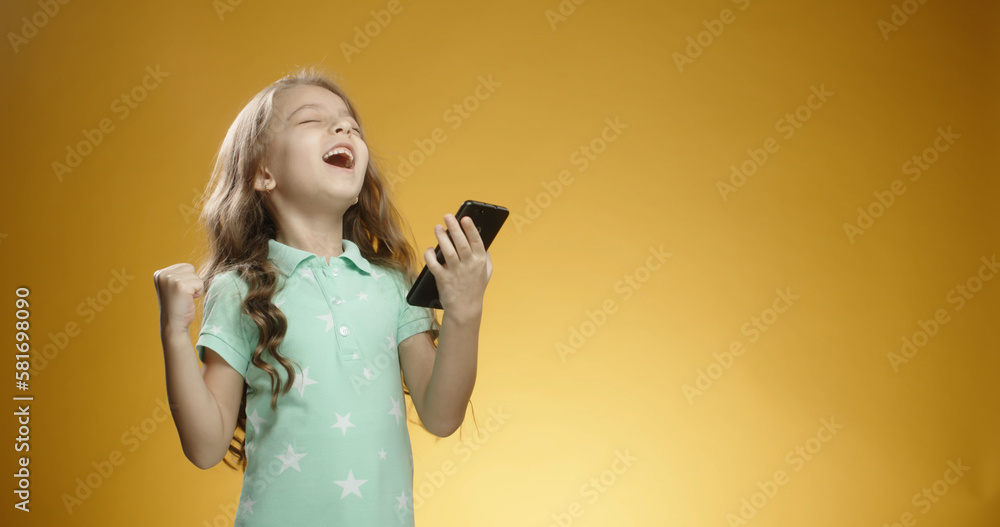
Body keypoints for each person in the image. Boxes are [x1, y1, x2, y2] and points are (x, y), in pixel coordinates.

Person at [152, 66, 492, 525]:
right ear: (263, 172)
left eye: (351, 123)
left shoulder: (390, 285)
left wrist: (464, 311)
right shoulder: (240, 290)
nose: (343, 127)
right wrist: (174, 332)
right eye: (312, 120)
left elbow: (442, 415)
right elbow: (206, 446)